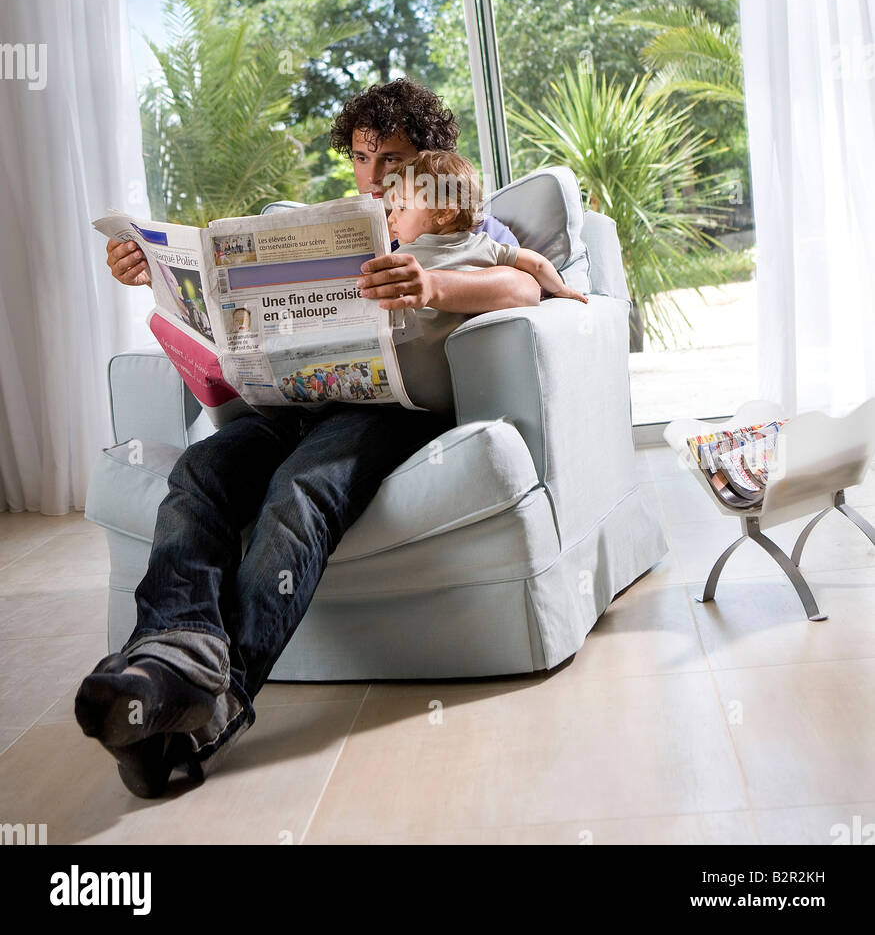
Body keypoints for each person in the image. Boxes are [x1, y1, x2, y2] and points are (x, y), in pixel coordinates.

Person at [76, 77, 541, 799]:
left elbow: (522, 288)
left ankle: (202, 708)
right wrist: (156, 279)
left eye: (391, 158)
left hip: (386, 411)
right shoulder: (329, 234)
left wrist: (431, 288)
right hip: (288, 405)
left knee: (299, 492)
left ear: (429, 157)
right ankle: (166, 665)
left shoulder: (455, 216)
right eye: (360, 157)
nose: (374, 175)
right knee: (199, 472)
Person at [383, 150, 587, 404]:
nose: (392, 218)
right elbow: (535, 263)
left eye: (402, 207)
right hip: (462, 380)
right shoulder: (486, 246)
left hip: (409, 383)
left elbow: (526, 281)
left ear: (444, 213)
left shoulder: (404, 256)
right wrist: (560, 289)